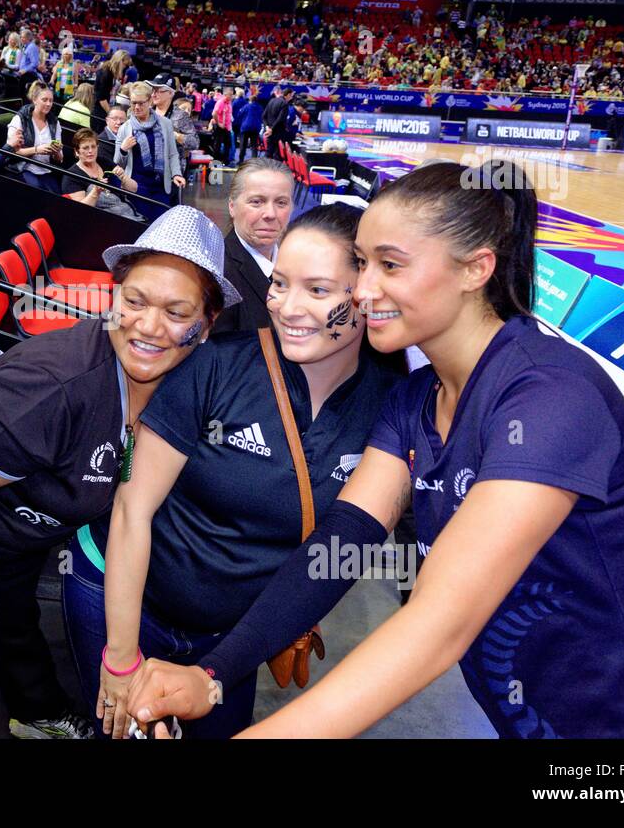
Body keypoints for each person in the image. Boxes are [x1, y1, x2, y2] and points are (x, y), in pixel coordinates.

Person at [126, 162, 624, 739]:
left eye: (389, 265)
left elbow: (440, 624)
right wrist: (214, 674)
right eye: (361, 264)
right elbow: (345, 537)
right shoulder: (414, 398)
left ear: (475, 269)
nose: (363, 290)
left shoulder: (549, 396)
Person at [0, 205, 241, 738]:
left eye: (177, 312)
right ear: (114, 295)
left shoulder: (186, 377)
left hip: (12, 523)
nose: (149, 327)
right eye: (134, 302)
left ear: (207, 324)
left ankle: (34, 711)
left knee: (16, 622)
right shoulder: (54, 385)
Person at [69, 204, 400, 738]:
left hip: (232, 638)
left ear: (366, 293)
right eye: (280, 284)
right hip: (125, 607)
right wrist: (122, 657)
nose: (288, 308)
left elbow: (343, 546)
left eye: (318, 290)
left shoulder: (391, 400)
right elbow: (133, 508)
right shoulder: (216, 366)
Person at [211, 159, 295, 335]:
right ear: (232, 206)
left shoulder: (301, 262)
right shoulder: (218, 276)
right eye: (257, 202)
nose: (270, 214)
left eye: (281, 202)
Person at [114, 81, 185, 220]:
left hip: (161, 185)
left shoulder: (165, 123)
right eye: (133, 103)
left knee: (160, 224)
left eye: (141, 103)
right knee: (141, 225)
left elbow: (172, 154)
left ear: (150, 101)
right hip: (137, 185)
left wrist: (176, 173)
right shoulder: (125, 128)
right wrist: (123, 149)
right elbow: (117, 162)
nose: (136, 107)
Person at [60, 127, 141, 221]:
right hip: (107, 222)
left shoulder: (103, 161)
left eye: (93, 146)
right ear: (76, 152)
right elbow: (80, 212)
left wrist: (123, 177)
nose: (90, 151)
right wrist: (95, 192)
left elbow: (134, 189)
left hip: (130, 212)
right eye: (85, 148)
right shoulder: (71, 176)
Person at [4, 80, 63, 194]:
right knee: (37, 190)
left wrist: (56, 151)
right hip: (24, 167)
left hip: (45, 169)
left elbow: (59, 159)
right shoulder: (20, 119)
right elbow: (10, 151)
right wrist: (37, 150)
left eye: (51, 101)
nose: (48, 104)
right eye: (44, 100)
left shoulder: (55, 123)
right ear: (35, 100)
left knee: (57, 194)